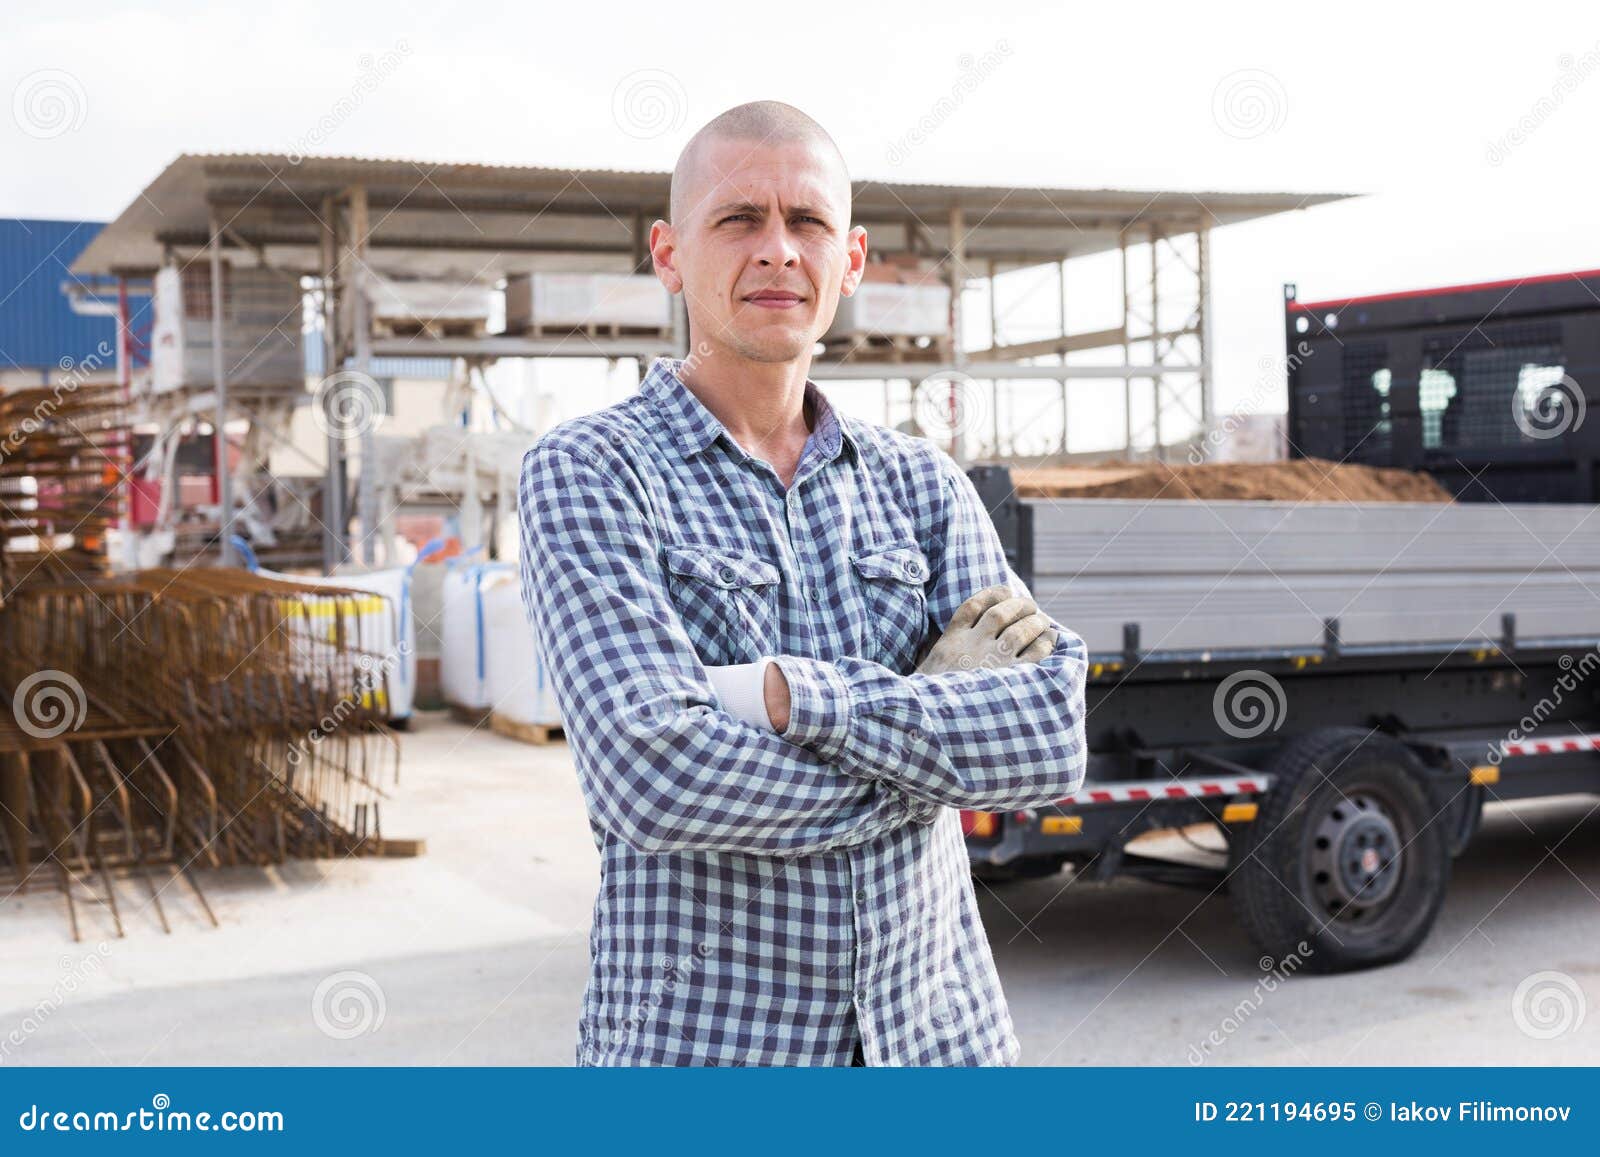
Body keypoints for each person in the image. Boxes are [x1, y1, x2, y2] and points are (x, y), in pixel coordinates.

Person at [518, 100, 1088, 1066]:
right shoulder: (592, 472)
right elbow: (653, 777)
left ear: (851, 260)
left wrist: (794, 699)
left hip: (939, 1046)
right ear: (669, 253)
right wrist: (926, 755)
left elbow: (1050, 733)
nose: (778, 250)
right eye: (739, 219)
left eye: (808, 222)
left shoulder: (921, 483)